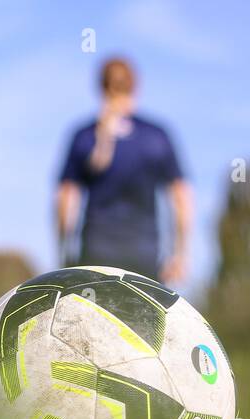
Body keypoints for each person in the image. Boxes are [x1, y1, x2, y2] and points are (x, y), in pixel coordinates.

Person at [55, 56, 192, 284]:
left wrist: (63, 250)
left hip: (96, 254)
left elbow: (65, 200)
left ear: (100, 87)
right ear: (136, 86)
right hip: (145, 256)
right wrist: (180, 255)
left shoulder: (84, 136)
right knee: (142, 320)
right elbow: (181, 198)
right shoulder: (156, 136)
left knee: (93, 319)